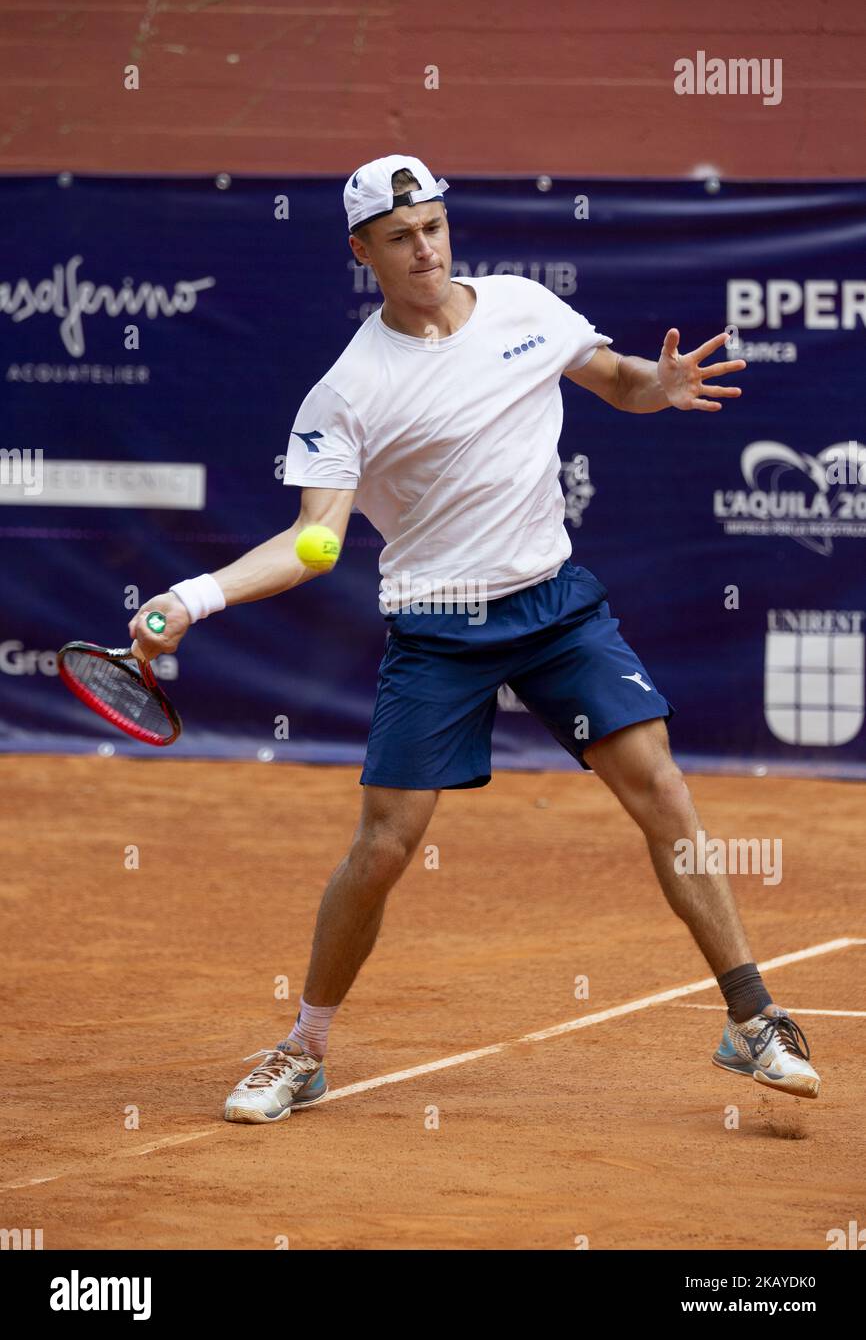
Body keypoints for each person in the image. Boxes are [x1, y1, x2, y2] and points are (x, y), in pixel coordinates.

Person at [129, 154, 820, 1123]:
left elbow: (612, 378)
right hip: (438, 630)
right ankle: (305, 1047)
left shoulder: (522, 307)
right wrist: (193, 597)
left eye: (435, 226)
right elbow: (315, 540)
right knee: (382, 848)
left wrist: (654, 386)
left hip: (556, 609)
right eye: (401, 236)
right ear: (361, 250)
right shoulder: (347, 390)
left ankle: (750, 1017)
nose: (426, 247)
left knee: (660, 785)